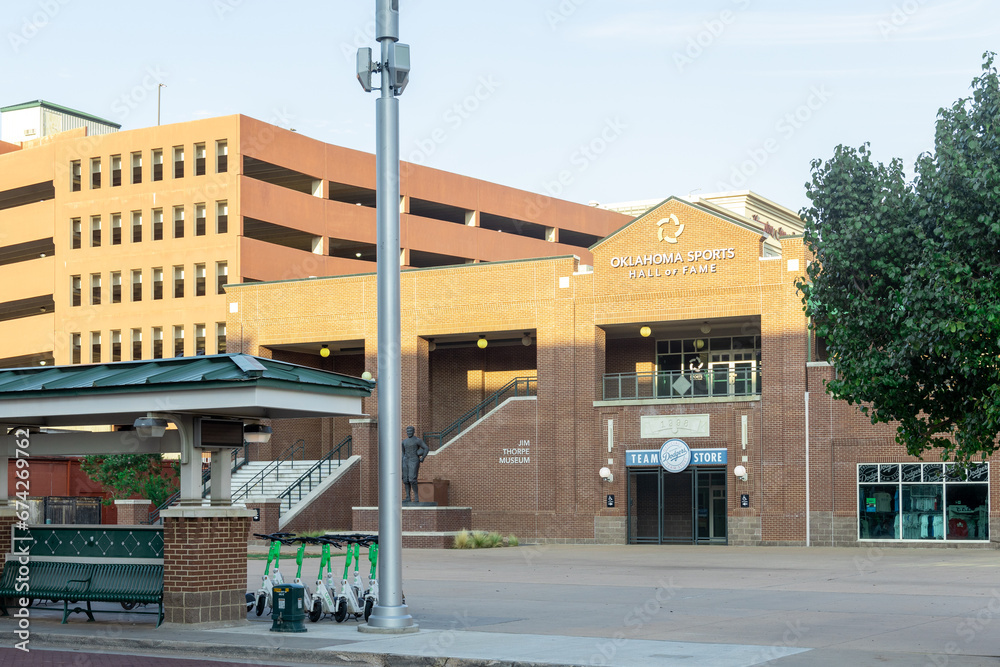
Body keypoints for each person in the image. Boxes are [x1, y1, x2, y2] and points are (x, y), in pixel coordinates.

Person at [401, 426, 429, 502]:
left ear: (413, 432)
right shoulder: (404, 442)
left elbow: (426, 448)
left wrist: (422, 457)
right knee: (405, 480)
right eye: (408, 431)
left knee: (412, 479)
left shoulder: (417, 440)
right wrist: (401, 463)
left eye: (410, 431)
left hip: (413, 460)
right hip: (405, 460)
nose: (409, 433)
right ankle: (408, 497)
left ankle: (416, 497)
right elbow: (402, 453)